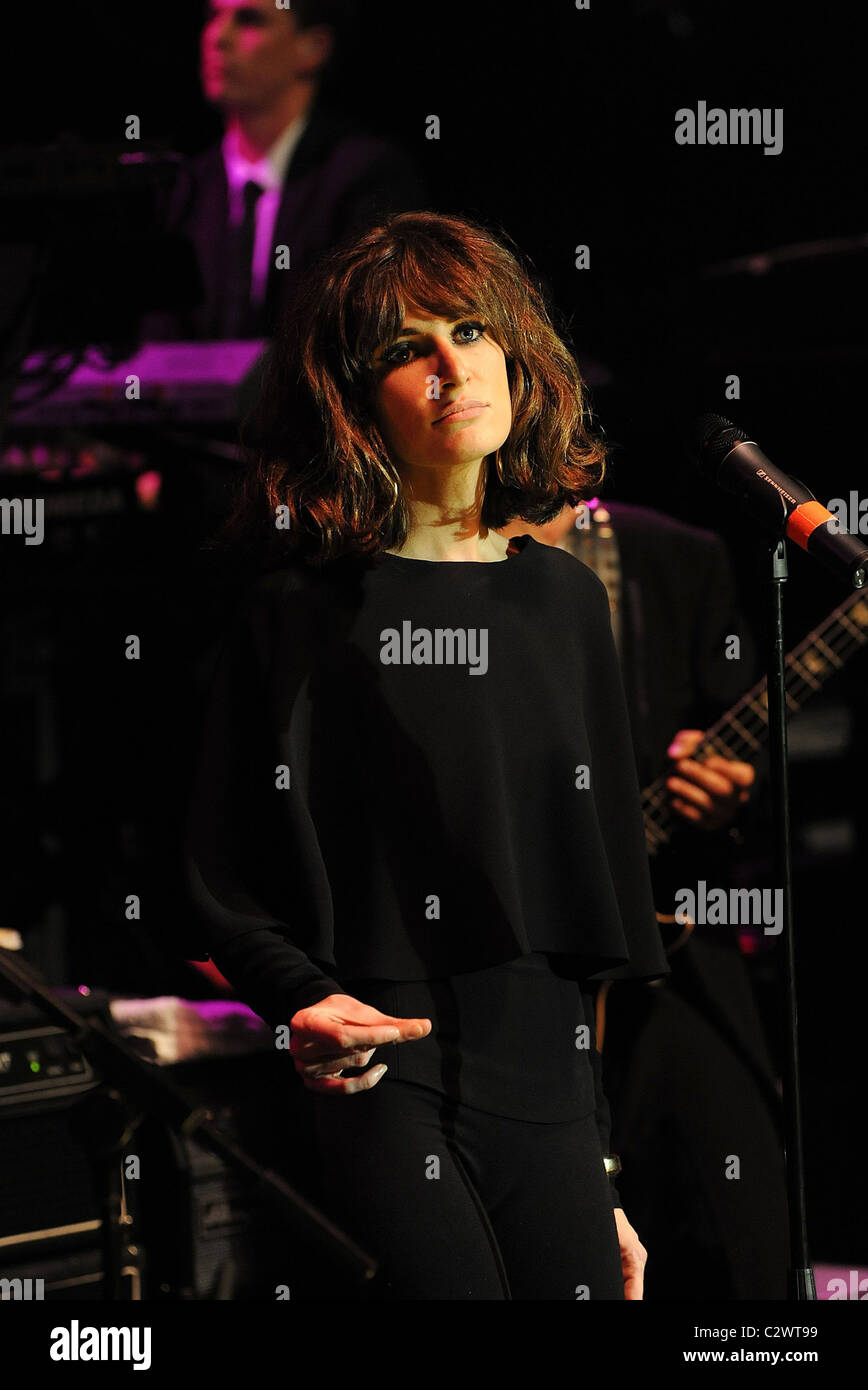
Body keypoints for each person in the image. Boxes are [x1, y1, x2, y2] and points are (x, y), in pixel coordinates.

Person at [183, 210, 670, 1301]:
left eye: (467, 330)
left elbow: (591, 921)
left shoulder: (563, 601)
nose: (453, 367)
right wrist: (299, 996)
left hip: (547, 1070)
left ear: (512, 347)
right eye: (408, 349)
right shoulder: (294, 615)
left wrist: (599, 1170)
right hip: (382, 1064)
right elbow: (216, 875)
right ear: (353, 402)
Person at [504, 498, 789, 1298]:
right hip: (512, 957)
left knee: (748, 1227)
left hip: (667, 940)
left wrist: (731, 784)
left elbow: (740, 745)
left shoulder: (674, 553)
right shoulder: (440, 560)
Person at [145, 0, 426, 340]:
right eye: (212, 16)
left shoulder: (364, 176)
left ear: (313, 47)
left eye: (250, 20)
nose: (218, 36)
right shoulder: (182, 188)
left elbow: (363, 331)